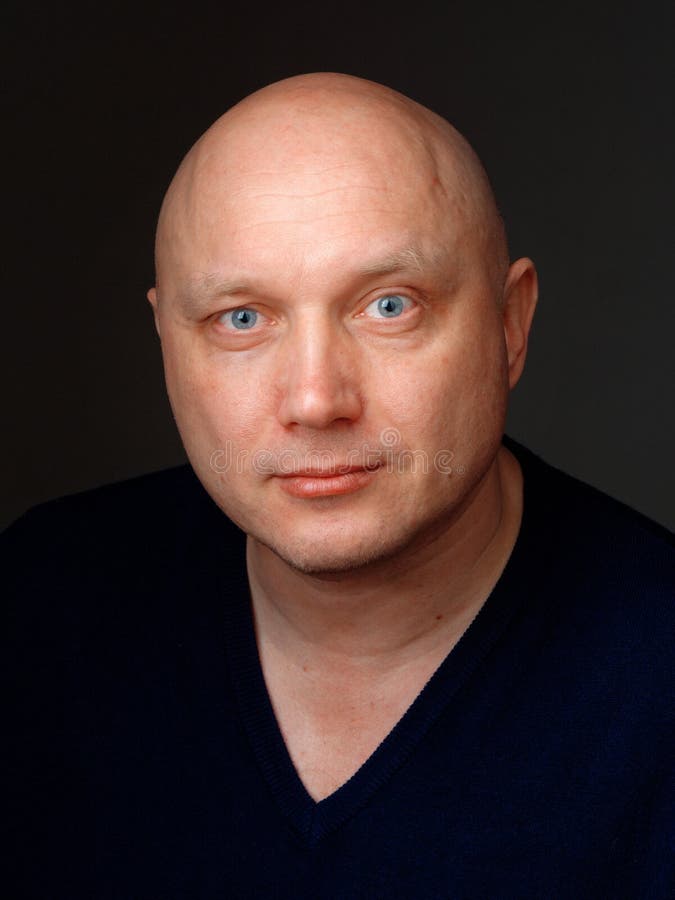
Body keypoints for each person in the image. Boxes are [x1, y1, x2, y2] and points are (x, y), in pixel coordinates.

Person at [4, 73, 673, 898]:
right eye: (241, 318)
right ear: (167, 346)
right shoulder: (37, 604)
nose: (315, 400)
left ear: (509, 325)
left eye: (389, 306)